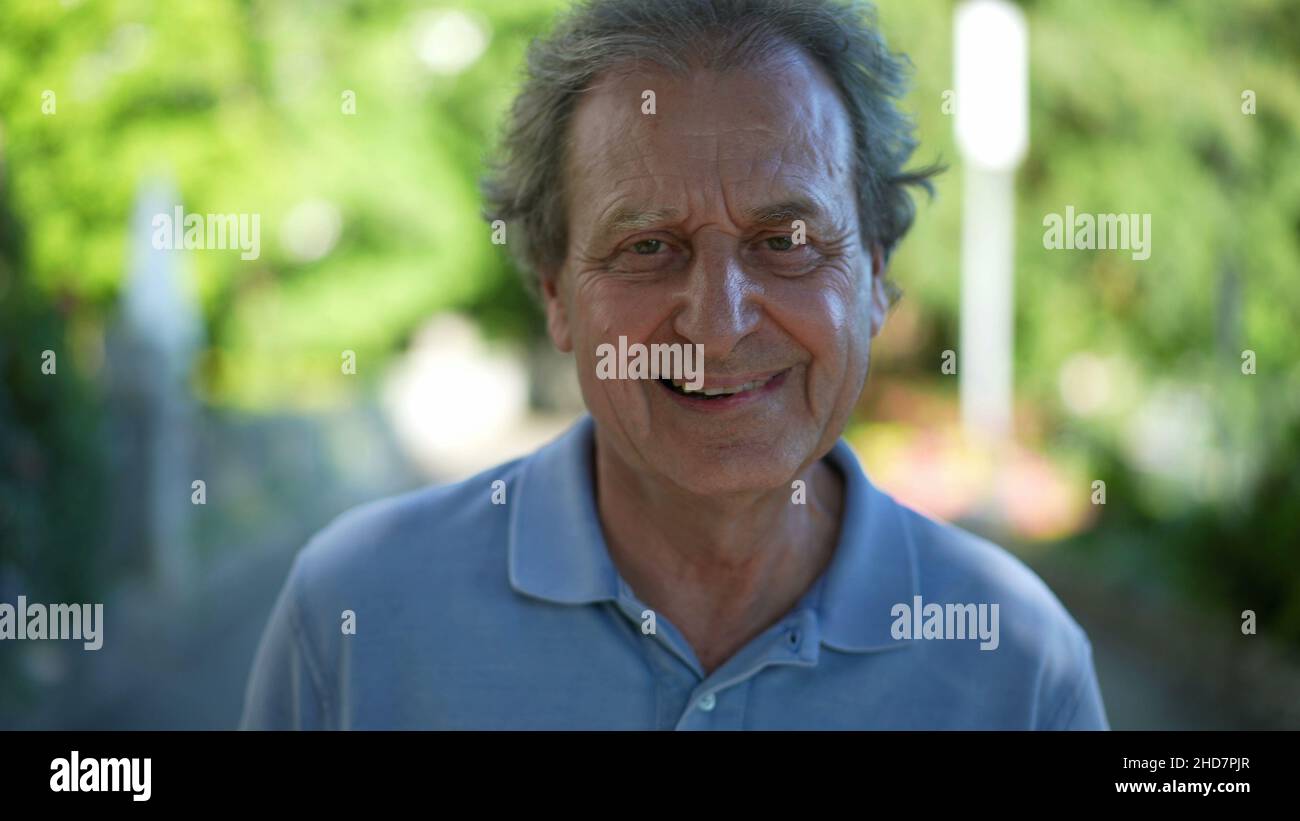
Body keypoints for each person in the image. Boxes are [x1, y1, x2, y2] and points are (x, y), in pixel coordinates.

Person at [241, 0, 1108, 730]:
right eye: (648, 245)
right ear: (555, 293)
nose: (720, 327)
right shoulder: (354, 619)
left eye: (788, 242)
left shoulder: (1020, 669)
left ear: (877, 275)